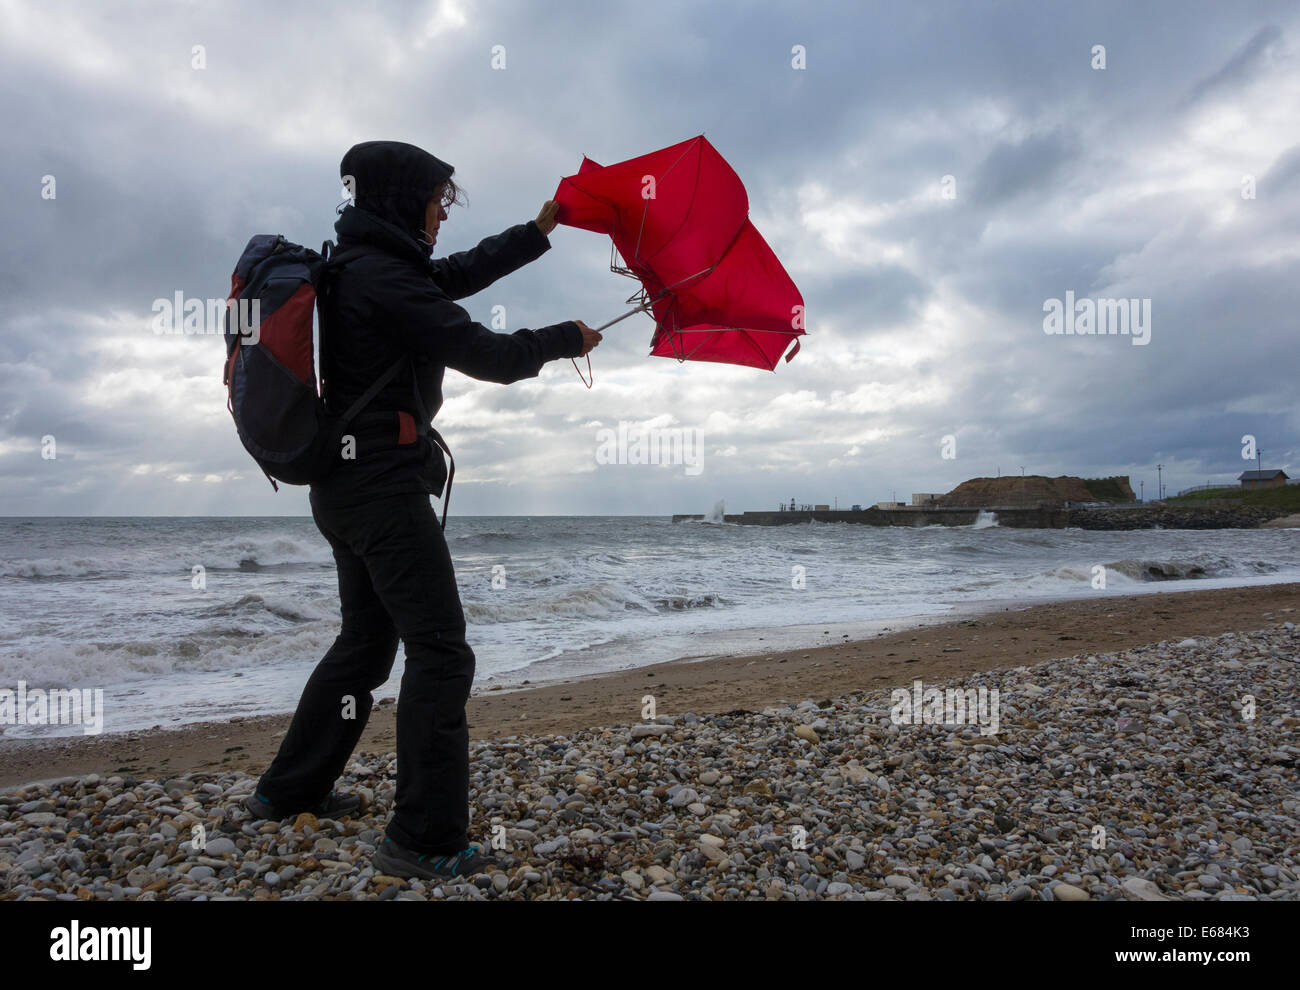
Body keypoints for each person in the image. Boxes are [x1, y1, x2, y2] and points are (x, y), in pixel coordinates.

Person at [241, 140, 601, 880]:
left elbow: (457, 275)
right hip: (379, 491)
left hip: (342, 492)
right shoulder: (384, 278)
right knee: (440, 650)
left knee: (365, 648)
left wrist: (536, 234)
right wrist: (565, 338)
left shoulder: (365, 265)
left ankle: (287, 791)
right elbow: (489, 354)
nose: (443, 212)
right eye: (438, 199)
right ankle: (425, 838)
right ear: (405, 199)